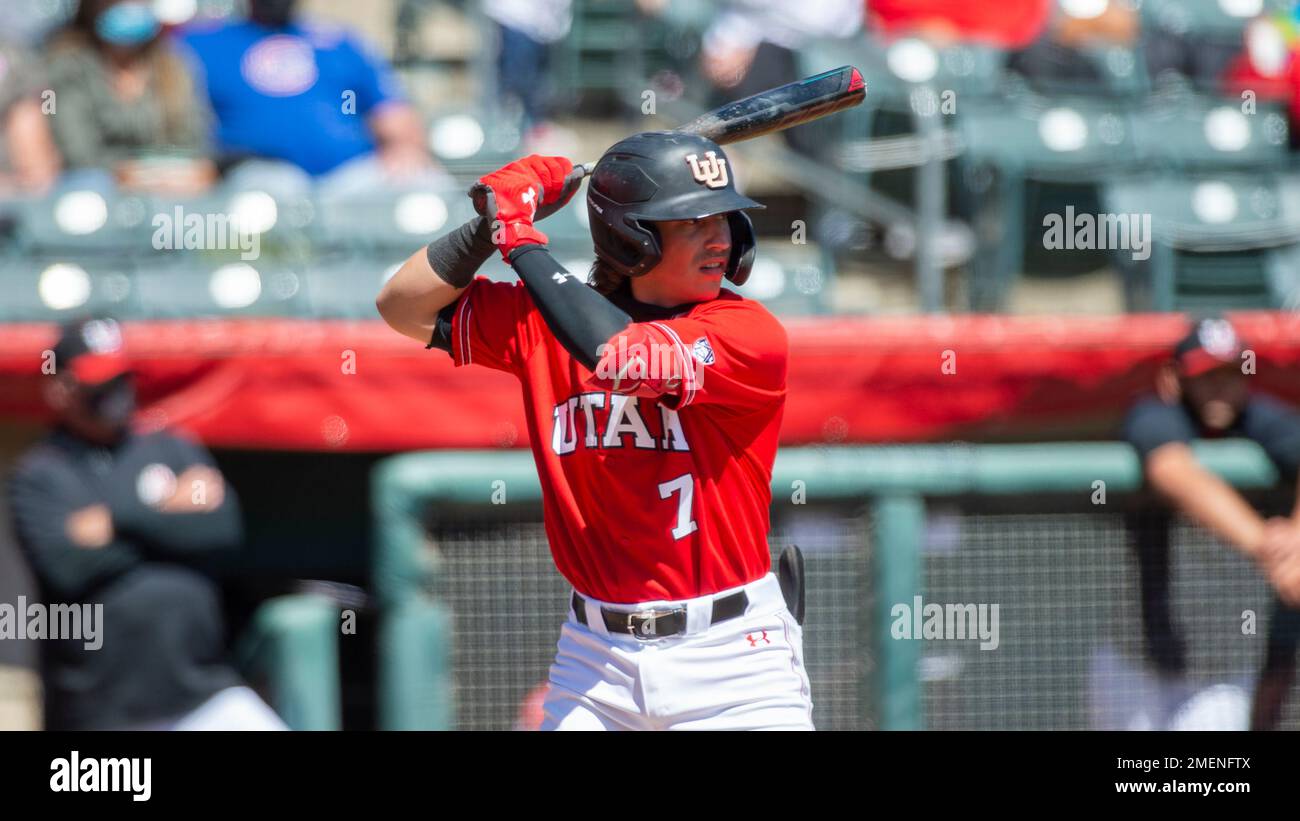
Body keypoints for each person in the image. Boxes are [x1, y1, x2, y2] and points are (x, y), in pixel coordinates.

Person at [376, 134, 813, 730]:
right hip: (595, 658)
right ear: (631, 235)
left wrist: (521, 239)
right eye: (690, 222)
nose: (720, 239)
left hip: (733, 661)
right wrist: (490, 220)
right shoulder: (542, 324)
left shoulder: (746, 333)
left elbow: (618, 354)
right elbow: (402, 306)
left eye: (726, 219)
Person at [5, 318, 285, 730]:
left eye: (120, 378)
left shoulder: (171, 447)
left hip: (201, 695)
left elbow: (223, 529)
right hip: (101, 711)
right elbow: (67, 564)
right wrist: (166, 513)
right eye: (98, 383)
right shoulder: (42, 472)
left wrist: (112, 521)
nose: (115, 393)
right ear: (60, 388)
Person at [1122, 316, 1300, 730]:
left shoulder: (1260, 420)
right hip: (1134, 659)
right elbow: (1172, 470)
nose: (1221, 386)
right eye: (1207, 374)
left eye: (1231, 372)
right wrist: (1269, 546)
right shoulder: (1152, 414)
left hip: (1220, 665)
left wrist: (1296, 535)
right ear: (1174, 378)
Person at [181, 0, 436, 188]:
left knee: (423, 183)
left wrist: (404, 148)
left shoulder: (339, 42)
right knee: (270, 187)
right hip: (260, 176)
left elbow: (393, 115)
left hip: (350, 176)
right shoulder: (201, 43)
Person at [43, 0, 216, 195]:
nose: (130, 7)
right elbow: (76, 152)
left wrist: (171, 172)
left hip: (172, 187)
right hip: (96, 191)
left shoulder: (175, 63)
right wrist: (129, 174)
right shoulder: (65, 67)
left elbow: (196, 138)